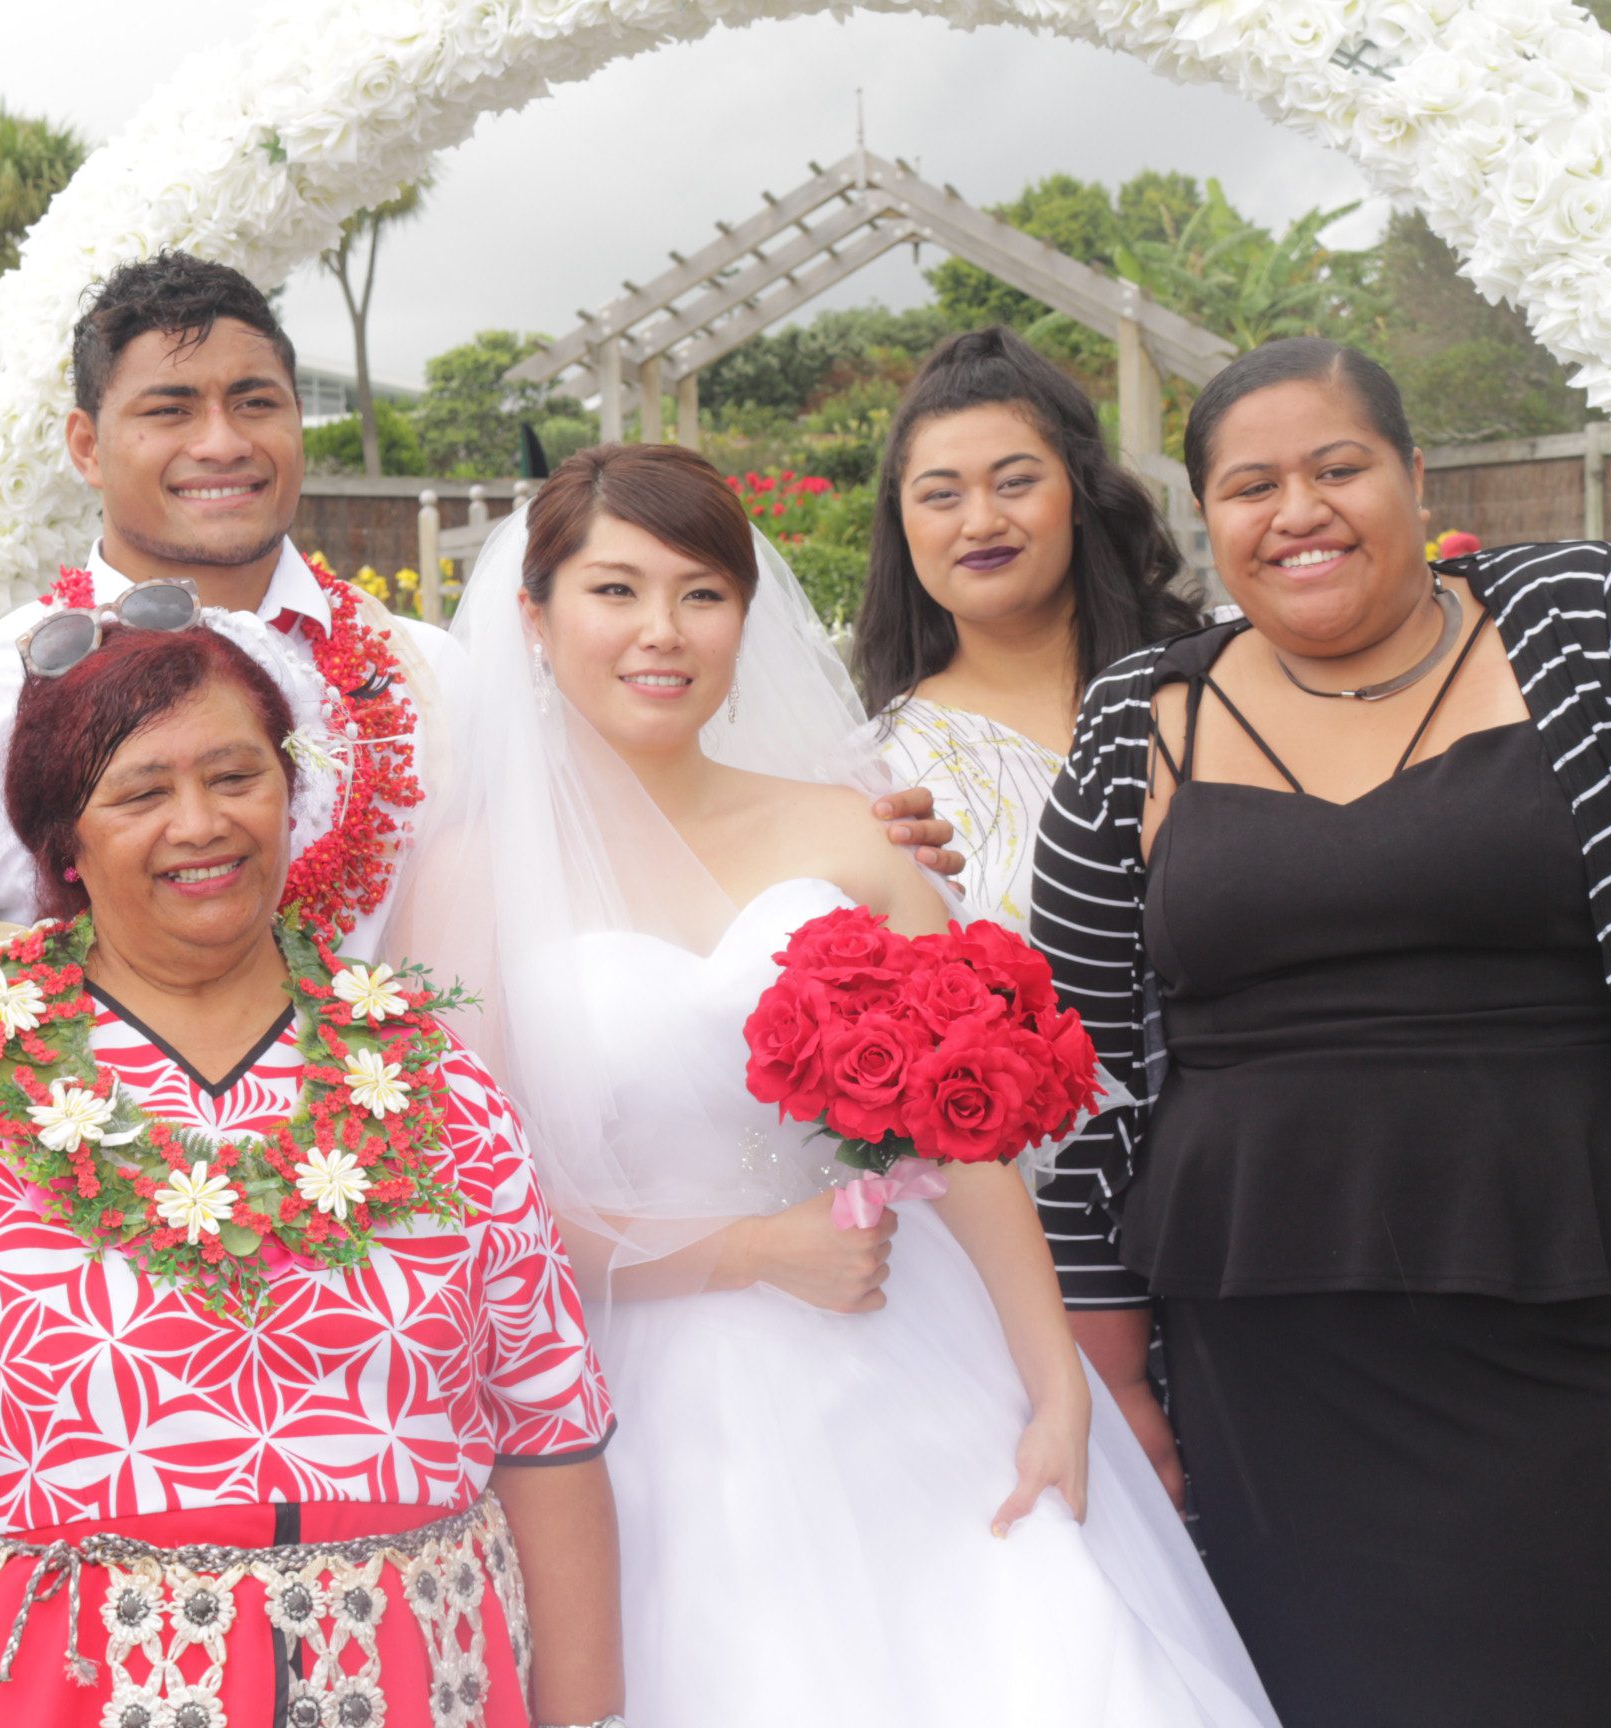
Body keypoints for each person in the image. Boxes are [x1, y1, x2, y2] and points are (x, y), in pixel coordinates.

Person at [0, 606, 622, 1728]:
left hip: (419, 1676)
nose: (201, 823)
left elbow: (548, 1436)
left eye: (236, 776)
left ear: (290, 798)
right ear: (63, 845)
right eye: (140, 794)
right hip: (63, 1684)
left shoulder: (435, 1084)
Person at [398, 443, 1278, 1727]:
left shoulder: (849, 828)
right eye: (615, 591)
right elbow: (467, 1205)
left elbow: (963, 1127)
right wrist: (750, 1252)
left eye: (704, 594)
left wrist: (1053, 1386)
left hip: (908, 1343)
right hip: (629, 1390)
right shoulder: (464, 880)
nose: (662, 632)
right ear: (535, 619)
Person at [0, 251, 960, 1112]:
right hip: (99, 1251)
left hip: (413, 1237)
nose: (221, 442)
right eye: (169, 410)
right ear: (87, 445)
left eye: (256, 403)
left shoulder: (436, 675)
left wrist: (837, 843)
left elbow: (601, 842)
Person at [1030, 336, 1611, 1726]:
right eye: (1251, 486)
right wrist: (1112, 1377)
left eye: (1337, 467)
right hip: (1274, 1362)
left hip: (1603, 1323)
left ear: (1417, 478)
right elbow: (1076, 1073)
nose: (1296, 511)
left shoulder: (1582, 625)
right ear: (1207, 518)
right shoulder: (1141, 719)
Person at [854, 326, 1203, 930]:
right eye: (942, 495)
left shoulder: (1212, 674)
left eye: (1015, 483)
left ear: (1080, 495)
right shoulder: (880, 773)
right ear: (901, 522)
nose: (982, 522)